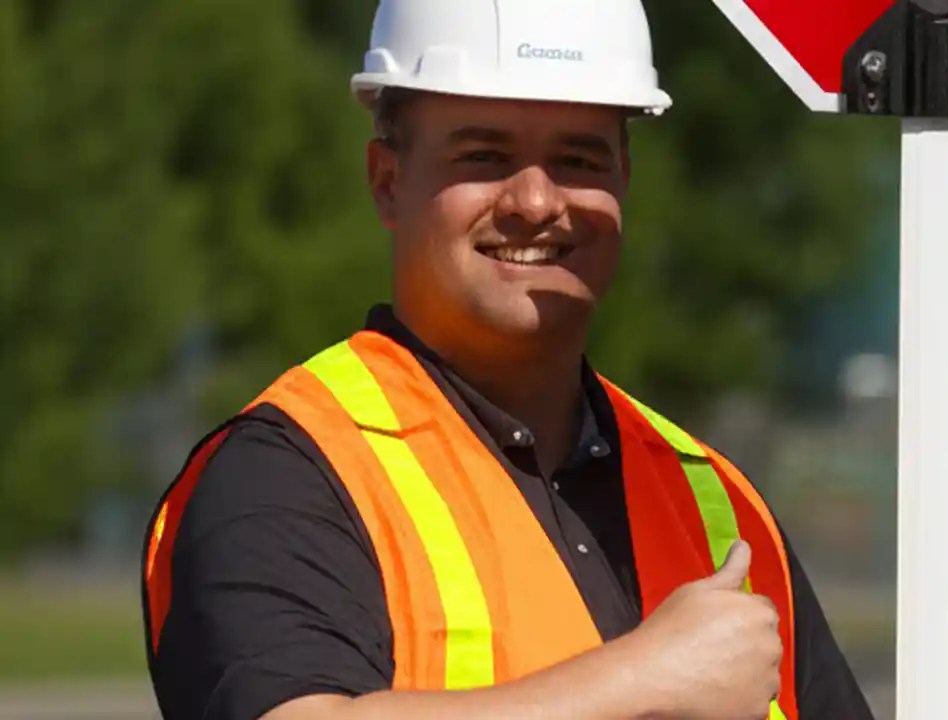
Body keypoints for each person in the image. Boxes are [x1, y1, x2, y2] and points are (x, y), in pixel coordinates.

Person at [141, 1, 876, 718]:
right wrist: (644, 678)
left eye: (576, 158)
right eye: (484, 155)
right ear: (388, 182)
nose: (534, 199)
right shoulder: (291, 473)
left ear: (624, 176)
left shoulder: (713, 502)